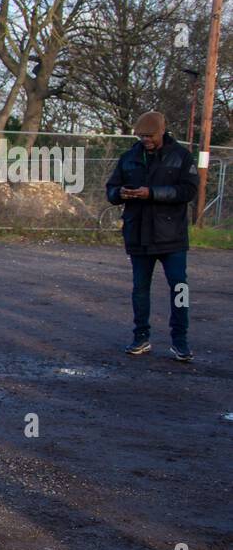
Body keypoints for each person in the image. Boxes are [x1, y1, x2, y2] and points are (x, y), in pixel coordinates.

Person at [107, 111, 197, 362]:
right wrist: (119, 193)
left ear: (162, 132)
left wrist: (152, 193)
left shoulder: (181, 157)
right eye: (141, 136)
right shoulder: (129, 158)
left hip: (172, 238)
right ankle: (141, 337)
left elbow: (188, 190)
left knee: (179, 287)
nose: (145, 139)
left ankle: (180, 341)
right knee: (140, 290)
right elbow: (110, 190)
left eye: (150, 135)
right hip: (138, 236)